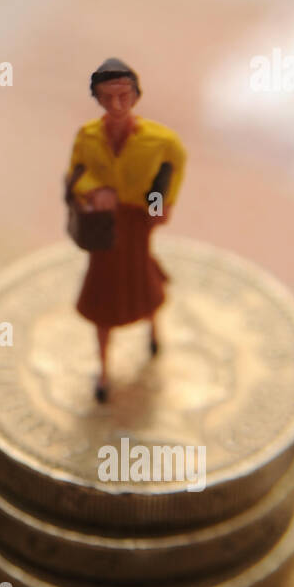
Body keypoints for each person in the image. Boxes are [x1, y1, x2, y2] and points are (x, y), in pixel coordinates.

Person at [64, 58, 186, 402]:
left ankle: (153, 329)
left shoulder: (160, 138)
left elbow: (174, 165)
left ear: (135, 96)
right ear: (98, 99)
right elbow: (76, 172)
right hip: (104, 224)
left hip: (138, 219)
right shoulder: (88, 136)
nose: (116, 104)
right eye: (107, 97)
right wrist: (93, 189)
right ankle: (103, 371)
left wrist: (163, 205)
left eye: (124, 96)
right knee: (102, 294)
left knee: (142, 275)